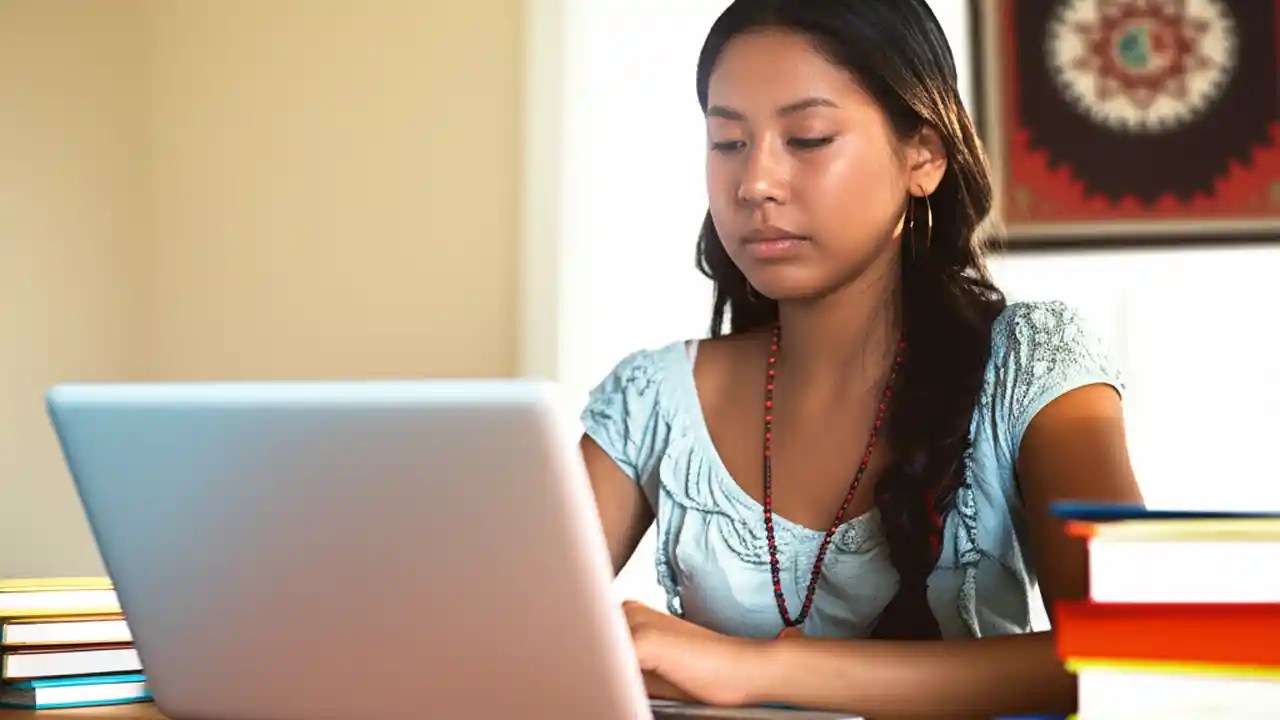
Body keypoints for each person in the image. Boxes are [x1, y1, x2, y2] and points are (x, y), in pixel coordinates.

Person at [578, 1, 1144, 718]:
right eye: (728, 142)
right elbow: (497, 627)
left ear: (924, 157)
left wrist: (758, 669)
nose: (756, 183)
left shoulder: (1031, 365)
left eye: (808, 138)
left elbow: (1144, 648)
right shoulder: (652, 398)